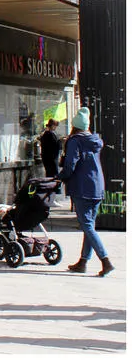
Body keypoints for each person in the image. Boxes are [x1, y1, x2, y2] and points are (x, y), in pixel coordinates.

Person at [57, 107, 114, 276]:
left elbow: (70, 164)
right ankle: (83, 262)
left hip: (82, 187)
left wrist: (61, 177)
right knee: (90, 225)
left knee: (87, 225)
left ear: (75, 126)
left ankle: (106, 260)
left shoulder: (75, 140)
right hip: (97, 186)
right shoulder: (94, 140)